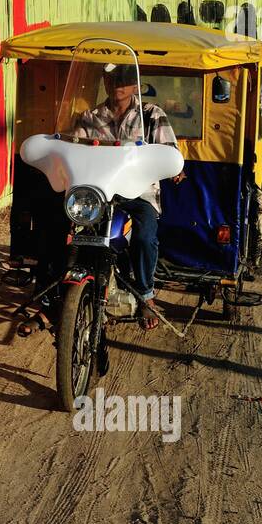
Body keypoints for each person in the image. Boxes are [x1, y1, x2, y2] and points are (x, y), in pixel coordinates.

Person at [70, 63, 184, 330]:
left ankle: (146, 295)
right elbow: (73, 147)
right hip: (98, 193)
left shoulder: (152, 115)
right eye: (111, 79)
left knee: (144, 238)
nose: (117, 85)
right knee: (67, 230)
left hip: (139, 193)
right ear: (104, 82)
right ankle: (57, 294)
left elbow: (169, 151)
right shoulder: (90, 117)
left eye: (123, 80)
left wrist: (174, 168)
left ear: (135, 86)